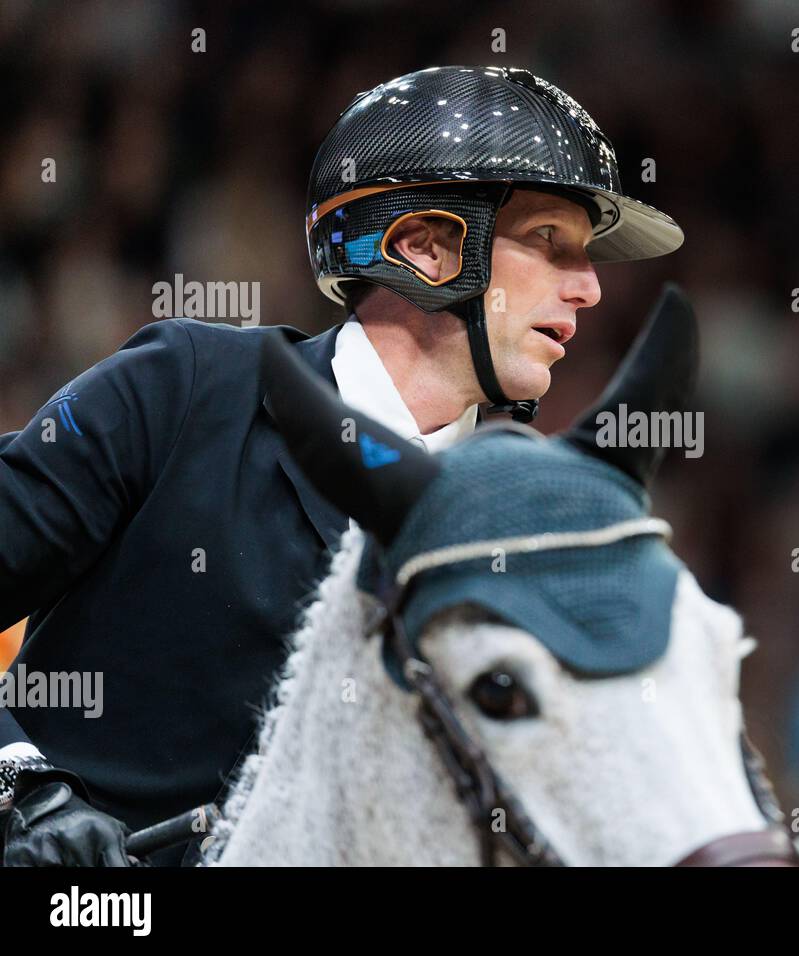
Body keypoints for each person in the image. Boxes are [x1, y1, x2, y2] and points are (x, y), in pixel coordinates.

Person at [0, 65, 682, 865]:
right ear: (423, 247)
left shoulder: (517, 532)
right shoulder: (183, 388)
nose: (592, 288)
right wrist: (24, 789)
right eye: (548, 241)